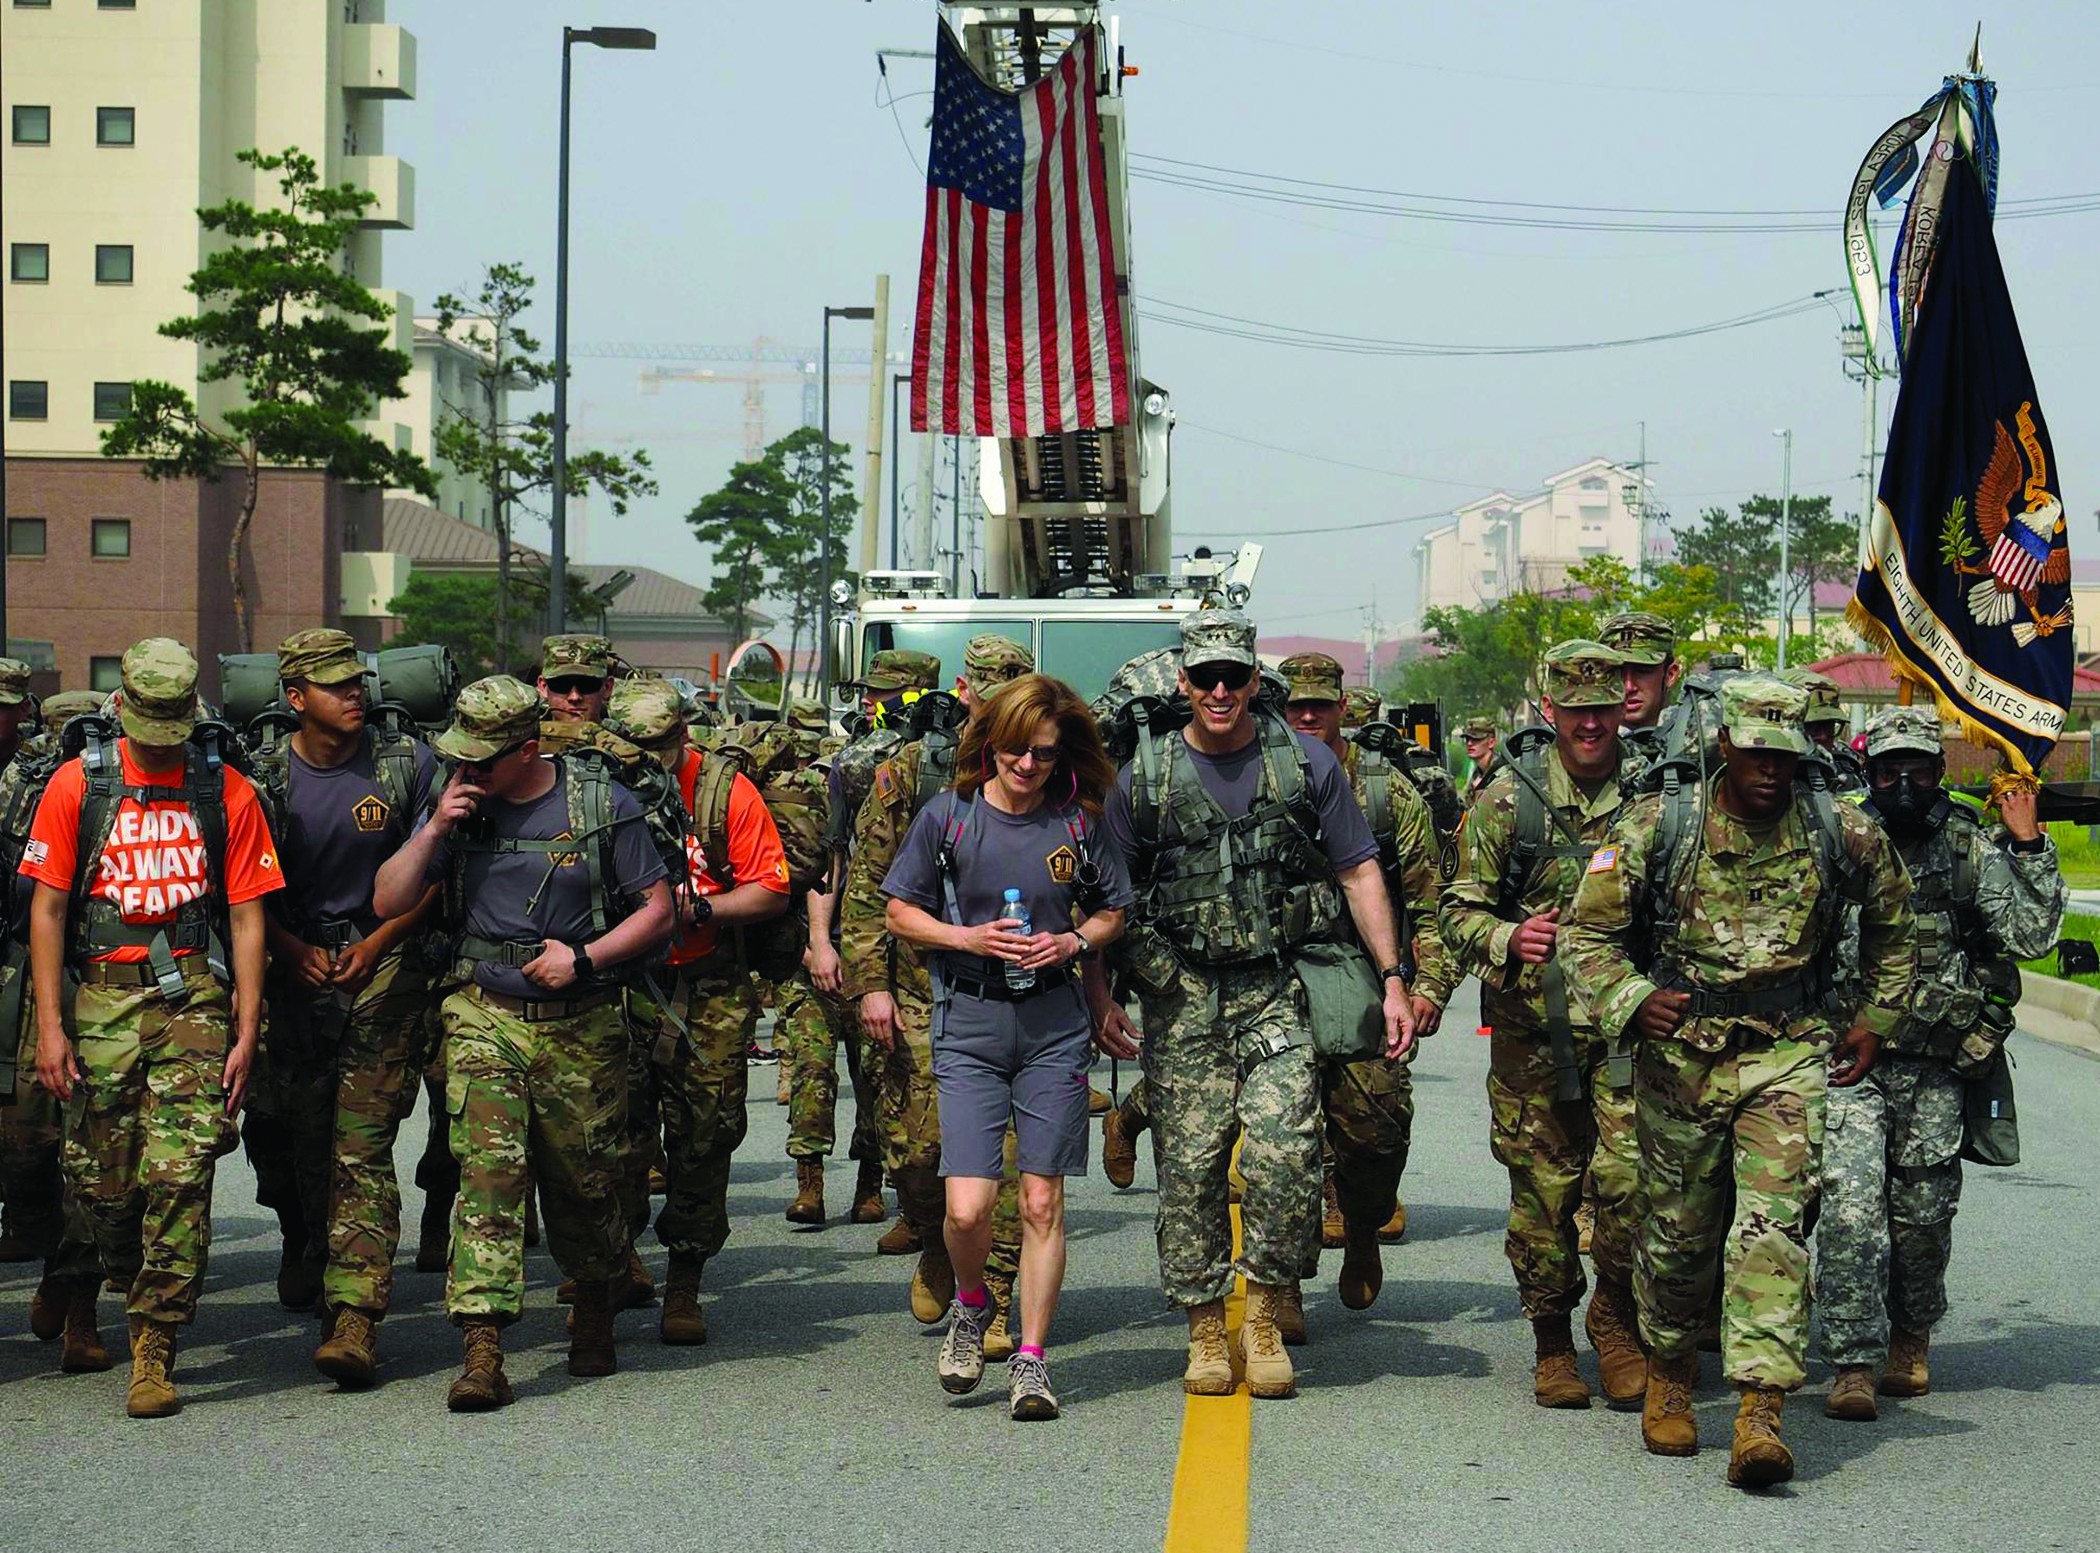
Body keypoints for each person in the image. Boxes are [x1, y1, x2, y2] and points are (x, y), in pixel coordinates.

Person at [1561, 675, 1915, 1489]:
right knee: (1678, 1236)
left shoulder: (1837, 828)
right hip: (1681, 1057)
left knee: (1772, 1228)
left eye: (1783, 757)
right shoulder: (1660, 824)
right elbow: (1587, 935)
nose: (1770, 770)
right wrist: (1632, 998)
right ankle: (1672, 1370)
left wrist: (1876, 1018)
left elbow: (1895, 923)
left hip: (1786, 1051)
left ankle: (1760, 1408)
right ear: (1725, 745)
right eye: (1756, 754)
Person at [1098, 607, 1415, 1402]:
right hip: (1181, 993)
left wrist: (1392, 977)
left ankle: (1266, 1315)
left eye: (1233, 676)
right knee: (1192, 1167)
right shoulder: (1146, 776)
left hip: (1275, 985)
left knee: (1284, 1154)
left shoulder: (1303, 762)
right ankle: (1207, 1327)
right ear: (1184, 682)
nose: (1219, 690)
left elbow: (1359, 871)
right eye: (1205, 677)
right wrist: (1102, 994)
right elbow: (1108, 896)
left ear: (1252, 681)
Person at [373, 675, 674, 1412]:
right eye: (460, 755)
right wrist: (433, 828)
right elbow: (386, 899)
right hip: (484, 1015)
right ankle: (483, 1348)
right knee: (489, 1176)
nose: (466, 768)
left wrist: (585, 958)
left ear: (527, 749)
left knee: (584, 1180)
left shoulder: (600, 803)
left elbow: (658, 910)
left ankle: (595, 1304)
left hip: (583, 1020)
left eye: (482, 758)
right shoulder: (454, 802)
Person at [24, 639, 283, 1418]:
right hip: (101, 1000)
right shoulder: (79, 784)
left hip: (192, 1000)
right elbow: (48, 910)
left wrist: (246, 1026)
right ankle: (114, 1271)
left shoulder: (224, 788)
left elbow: (247, 915)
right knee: (104, 1186)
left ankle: (155, 1340)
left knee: (181, 1173)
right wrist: (50, 1026)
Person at [882, 673, 1133, 1420]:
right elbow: (898, 911)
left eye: (1045, 753)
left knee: (1042, 1199)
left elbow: (1114, 910)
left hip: (1053, 1026)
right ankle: (969, 1305)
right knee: (967, 1209)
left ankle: (1031, 1358)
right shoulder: (949, 816)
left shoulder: (1078, 822)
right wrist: (965, 937)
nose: (1029, 765)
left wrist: (1073, 942)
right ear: (990, 744)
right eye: (1017, 750)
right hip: (970, 1023)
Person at [1818, 707, 2064, 1420]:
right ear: (1869, 773)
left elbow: (2030, 936)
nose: (1903, 786)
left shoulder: (1966, 846)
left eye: (1918, 772)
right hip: (1850, 1064)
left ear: (1939, 773)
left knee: (1921, 1221)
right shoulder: (1839, 837)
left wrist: (2027, 843)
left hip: (1934, 1067)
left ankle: (1911, 1334)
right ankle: (1852, 1359)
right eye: (1888, 771)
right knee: (1850, 1211)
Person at [1437, 640, 1647, 1412]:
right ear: (1552, 709)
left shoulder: (1654, 796)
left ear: (1622, 708)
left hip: (1628, 1034)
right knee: (1544, 1197)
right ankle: (1553, 1339)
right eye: (1576, 710)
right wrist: (1507, 937)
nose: (1590, 724)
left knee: (1632, 1184)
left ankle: (1615, 1318)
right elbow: (1456, 909)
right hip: (1533, 1036)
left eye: (1603, 709)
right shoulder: (1508, 799)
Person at [247, 628, 442, 1387]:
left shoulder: (406, 763)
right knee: (299, 1139)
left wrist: (377, 942)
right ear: (296, 698)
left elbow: (438, 873)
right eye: (334, 685)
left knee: (360, 1145)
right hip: (292, 972)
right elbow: (242, 887)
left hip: (385, 970)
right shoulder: (262, 775)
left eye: (357, 680)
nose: (353, 693)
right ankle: (306, 1243)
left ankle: (354, 1314)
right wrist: (290, 949)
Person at [842, 637, 1033, 1342]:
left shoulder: (1048, 769)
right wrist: (872, 985)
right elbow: (868, 888)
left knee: (1007, 1160)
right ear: (965, 688)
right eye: (989, 691)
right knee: (918, 1153)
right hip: (924, 988)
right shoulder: (915, 769)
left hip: (1018, 995)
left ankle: (998, 1294)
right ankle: (934, 1239)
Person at [602, 678, 790, 1346]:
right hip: (620, 981)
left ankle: (684, 1276)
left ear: (682, 734)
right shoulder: (598, 785)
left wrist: (699, 908)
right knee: (610, 1135)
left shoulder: (722, 790)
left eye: (656, 745)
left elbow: (771, 888)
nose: (643, 759)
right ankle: (615, 1263)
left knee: (705, 1138)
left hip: (707, 985)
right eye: (630, 746)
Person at [1278, 651, 1456, 1327]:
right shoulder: (1260, 779)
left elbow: (1431, 902)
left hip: (1368, 985)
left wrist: (1427, 985)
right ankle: (1284, 1281)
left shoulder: (1386, 793)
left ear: (1340, 708)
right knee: (1281, 1138)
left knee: (1376, 1133)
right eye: (1295, 706)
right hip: (1282, 981)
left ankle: (1361, 1224)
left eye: (1319, 706)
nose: (1307, 717)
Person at [0, 687, 109, 1372]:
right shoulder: (22, 788)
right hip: (21, 977)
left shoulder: (108, 789)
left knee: (91, 1152)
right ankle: (51, 1260)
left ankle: (78, 1301)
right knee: (24, 1150)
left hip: (90, 980)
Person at [775, 698, 883, 1226]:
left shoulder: (889, 822)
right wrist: (815, 947)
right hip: (810, 963)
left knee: (875, 1079)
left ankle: (870, 1184)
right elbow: (814, 881)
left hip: (871, 967)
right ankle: (810, 1184)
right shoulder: (813, 818)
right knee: (812, 1072)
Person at [1781, 668, 1866, 793]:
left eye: (1829, 726)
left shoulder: (1845, 769)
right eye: (1812, 727)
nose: (1823, 736)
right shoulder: (1765, 774)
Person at [1459, 716, 1500, 802]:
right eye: (1467, 739)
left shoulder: (1501, 772)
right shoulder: (1477, 773)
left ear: (1491, 743)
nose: (1469, 743)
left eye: (1476, 739)